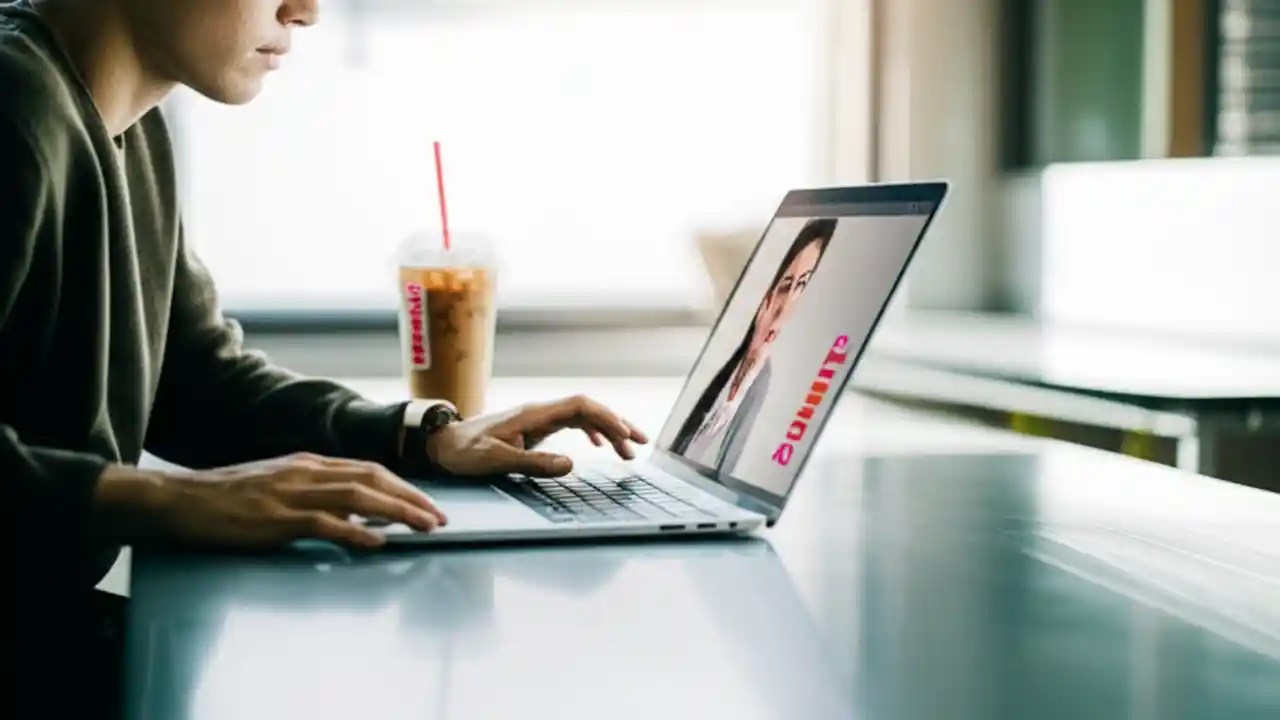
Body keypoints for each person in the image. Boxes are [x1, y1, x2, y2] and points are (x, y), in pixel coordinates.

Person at [0, 0, 647, 714]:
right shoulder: (15, 106)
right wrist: (169, 502)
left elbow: (195, 381)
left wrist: (421, 433)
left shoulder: (135, 128)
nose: (305, 11)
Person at [671, 218, 836, 473]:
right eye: (784, 286)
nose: (783, 311)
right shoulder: (723, 368)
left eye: (803, 285)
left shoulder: (772, 397)